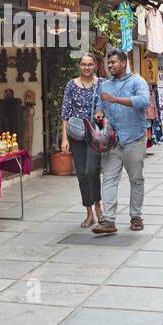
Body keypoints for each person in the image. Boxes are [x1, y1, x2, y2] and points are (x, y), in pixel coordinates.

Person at [92, 48, 150, 235]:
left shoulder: (137, 81)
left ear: (124, 63)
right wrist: (99, 112)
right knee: (108, 178)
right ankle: (108, 221)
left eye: (114, 62)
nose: (110, 66)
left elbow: (143, 101)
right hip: (112, 141)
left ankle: (136, 216)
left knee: (136, 179)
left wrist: (115, 100)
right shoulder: (105, 85)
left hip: (134, 138)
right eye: (109, 63)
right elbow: (101, 103)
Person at [59, 53, 102, 228]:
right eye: (83, 64)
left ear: (95, 66)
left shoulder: (101, 84)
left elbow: (102, 104)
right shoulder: (71, 84)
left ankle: (98, 205)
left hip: (93, 133)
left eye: (89, 64)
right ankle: (89, 212)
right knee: (82, 173)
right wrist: (64, 138)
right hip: (75, 134)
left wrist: (99, 112)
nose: (86, 67)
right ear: (79, 66)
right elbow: (65, 112)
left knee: (93, 170)